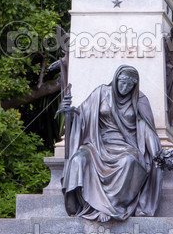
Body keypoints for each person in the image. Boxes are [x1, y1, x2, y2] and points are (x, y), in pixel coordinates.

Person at [60, 65, 162, 221]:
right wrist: (69, 112)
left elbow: (148, 130)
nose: (125, 87)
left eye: (130, 84)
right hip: (97, 144)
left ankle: (110, 208)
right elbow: (81, 115)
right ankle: (84, 205)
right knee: (79, 158)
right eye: (122, 82)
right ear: (116, 79)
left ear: (135, 85)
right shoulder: (101, 93)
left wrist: (157, 153)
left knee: (129, 162)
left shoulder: (139, 100)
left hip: (125, 146)